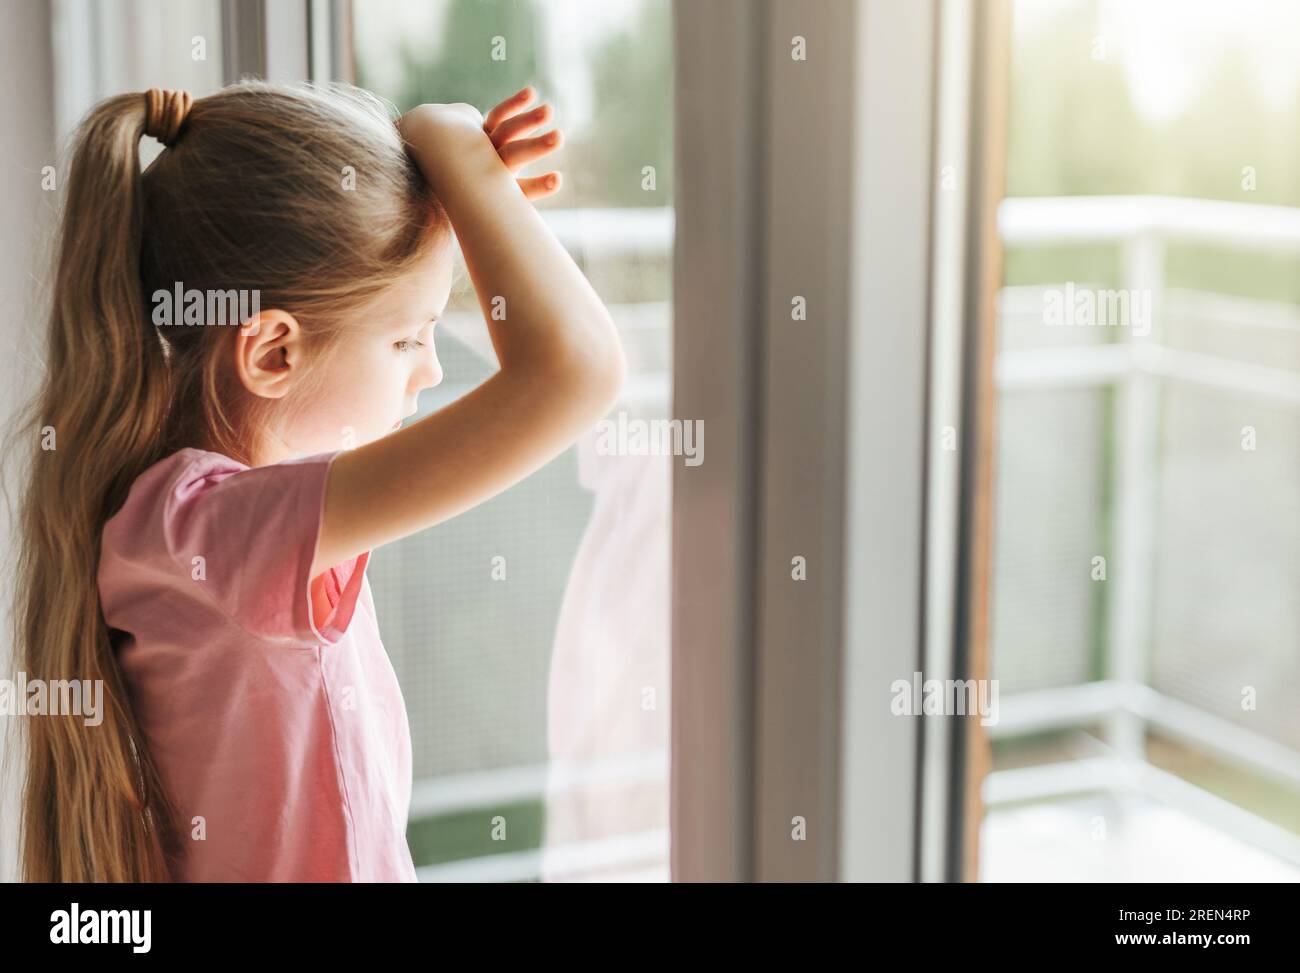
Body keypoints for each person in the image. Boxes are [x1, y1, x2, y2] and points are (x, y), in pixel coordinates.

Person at [10, 80, 625, 882]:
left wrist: (458, 197)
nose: (432, 370)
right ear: (273, 353)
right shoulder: (218, 539)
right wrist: (446, 142)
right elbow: (572, 373)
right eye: (409, 338)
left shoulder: (197, 528)